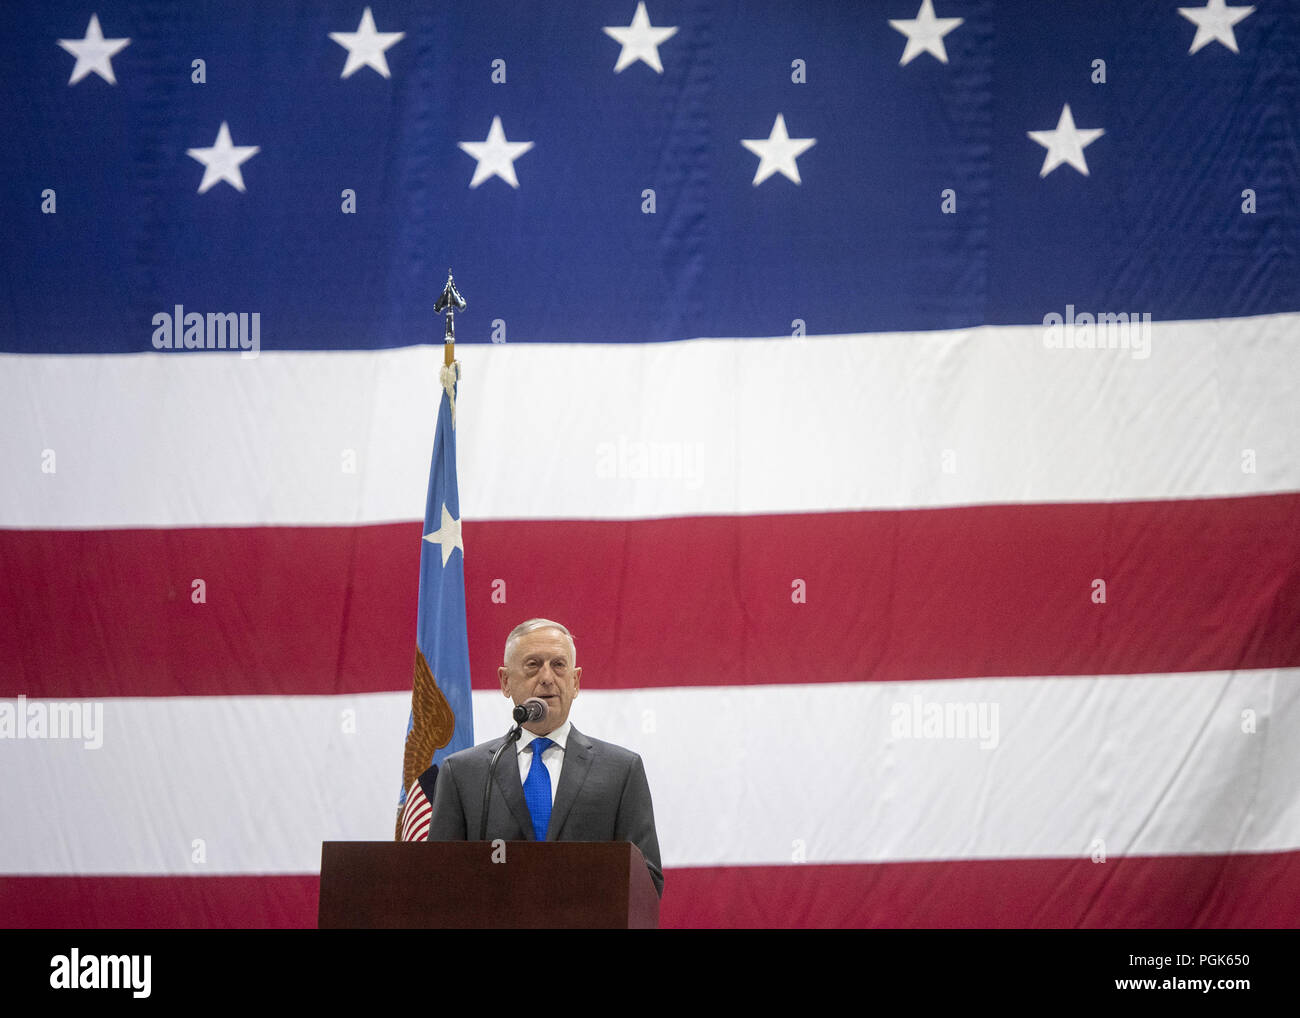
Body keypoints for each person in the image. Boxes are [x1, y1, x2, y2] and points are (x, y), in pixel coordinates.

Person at [425, 618, 664, 897]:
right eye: (533, 665)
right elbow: (437, 880)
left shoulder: (621, 770)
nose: (547, 677)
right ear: (505, 681)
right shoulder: (463, 772)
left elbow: (647, 881)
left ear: (575, 682)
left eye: (559, 665)